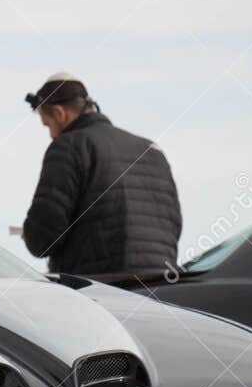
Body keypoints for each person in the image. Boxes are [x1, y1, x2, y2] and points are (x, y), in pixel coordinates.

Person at [18, 73, 181, 278]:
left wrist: (29, 234)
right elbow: (174, 223)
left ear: (60, 114)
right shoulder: (151, 150)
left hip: (102, 288)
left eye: (47, 125)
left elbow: (44, 238)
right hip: (161, 284)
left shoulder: (68, 146)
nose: (50, 134)